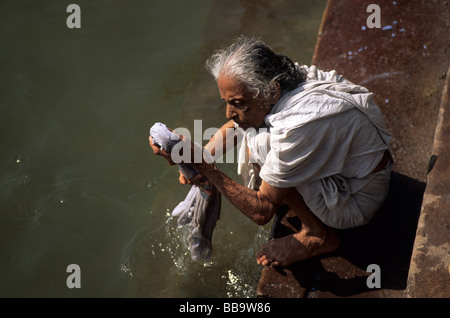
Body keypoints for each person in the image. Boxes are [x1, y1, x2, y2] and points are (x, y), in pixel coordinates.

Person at [149, 35, 393, 267]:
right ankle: (289, 190)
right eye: (227, 102)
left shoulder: (296, 127)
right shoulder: (287, 78)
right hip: (355, 173)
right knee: (254, 130)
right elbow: (237, 126)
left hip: (355, 201)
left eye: (237, 103)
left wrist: (204, 167)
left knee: (260, 143)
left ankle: (316, 234)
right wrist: (196, 156)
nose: (228, 114)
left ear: (272, 91)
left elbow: (261, 210)